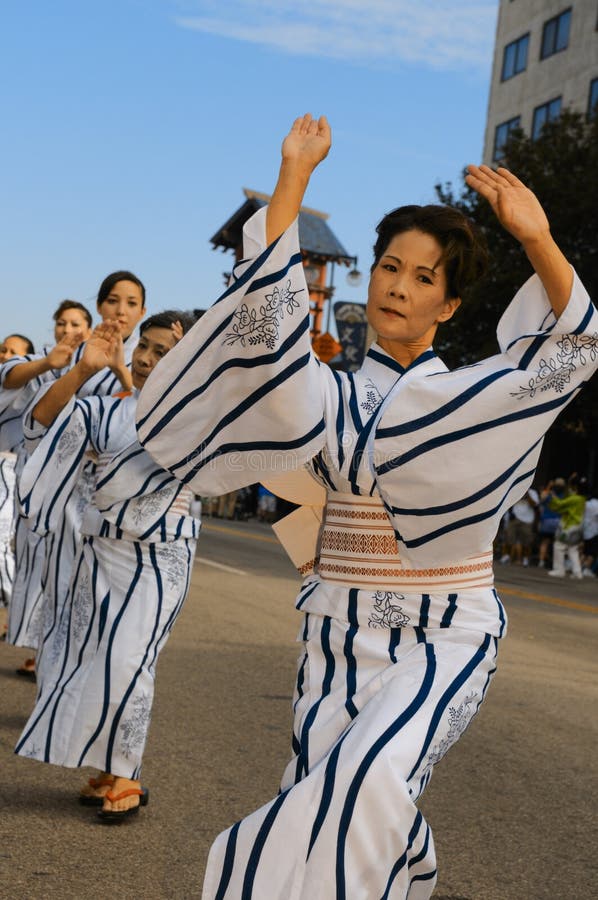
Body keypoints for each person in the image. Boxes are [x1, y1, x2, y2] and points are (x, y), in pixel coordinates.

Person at [136, 114, 598, 898]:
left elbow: (571, 352)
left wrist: (538, 241)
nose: (397, 284)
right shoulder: (324, 394)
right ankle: (401, 879)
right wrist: (293, 180)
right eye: (390, 265)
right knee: (328, 801)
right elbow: (269, 317)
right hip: (336, 626)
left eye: (424, 278)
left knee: (368, 787)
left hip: (446, 631)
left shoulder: (471, 395)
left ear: (450, 307)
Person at [15, 311, 199, 823]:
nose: (144, 358)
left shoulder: (197, 417)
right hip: (99, 554)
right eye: (144, 347)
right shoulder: (108, 410)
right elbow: (41, 424)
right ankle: (107, 764)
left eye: (163, 352)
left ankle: (128, 774)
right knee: (93, 658)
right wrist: (81, 370)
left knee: (128, 661)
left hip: (161, 557)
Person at [548, 473, 587, 579]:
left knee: (559, 546)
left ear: (576, 487)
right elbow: (569, 493)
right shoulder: (582, 499)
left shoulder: (575, 499)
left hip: (568, 527)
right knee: (572, 549)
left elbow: (560, 504)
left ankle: (559, 570)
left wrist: (553, 496)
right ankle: (577, 572)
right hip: (578, 527)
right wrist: (570, 480)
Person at [499, 488, 539, 565]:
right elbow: (508, 502)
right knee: (508, 538)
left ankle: (525, 558)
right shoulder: (517, 488)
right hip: (514, 518)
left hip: (527, 520)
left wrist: (527, 495)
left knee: (527, 542)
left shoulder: (532, 492)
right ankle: (506, 556)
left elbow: (534, 505)